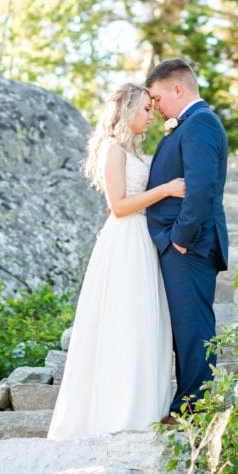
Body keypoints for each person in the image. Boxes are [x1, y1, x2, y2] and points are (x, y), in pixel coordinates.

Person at [47, 83, 186, 439]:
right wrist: (167, 189)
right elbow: (120, 206)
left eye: (151, 109)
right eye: (144, 110)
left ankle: (141, 407)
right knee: (126, 320)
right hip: (125, 242)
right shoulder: (112, 150)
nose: (150, 116)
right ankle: (117, 412)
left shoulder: (133, 151)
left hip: (145, 240)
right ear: (125, 112)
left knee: (145, 322)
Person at [146, 59, 228, 422]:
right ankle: (187, 403)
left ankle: (194, 408)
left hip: (189, 245)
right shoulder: (190, 125)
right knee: (183, 326)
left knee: (193, 326)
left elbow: (202, 186)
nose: (156, 107)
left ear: (178, 90)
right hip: (179, 243)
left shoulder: (201, 124)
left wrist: (180, 237)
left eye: (158, 98)